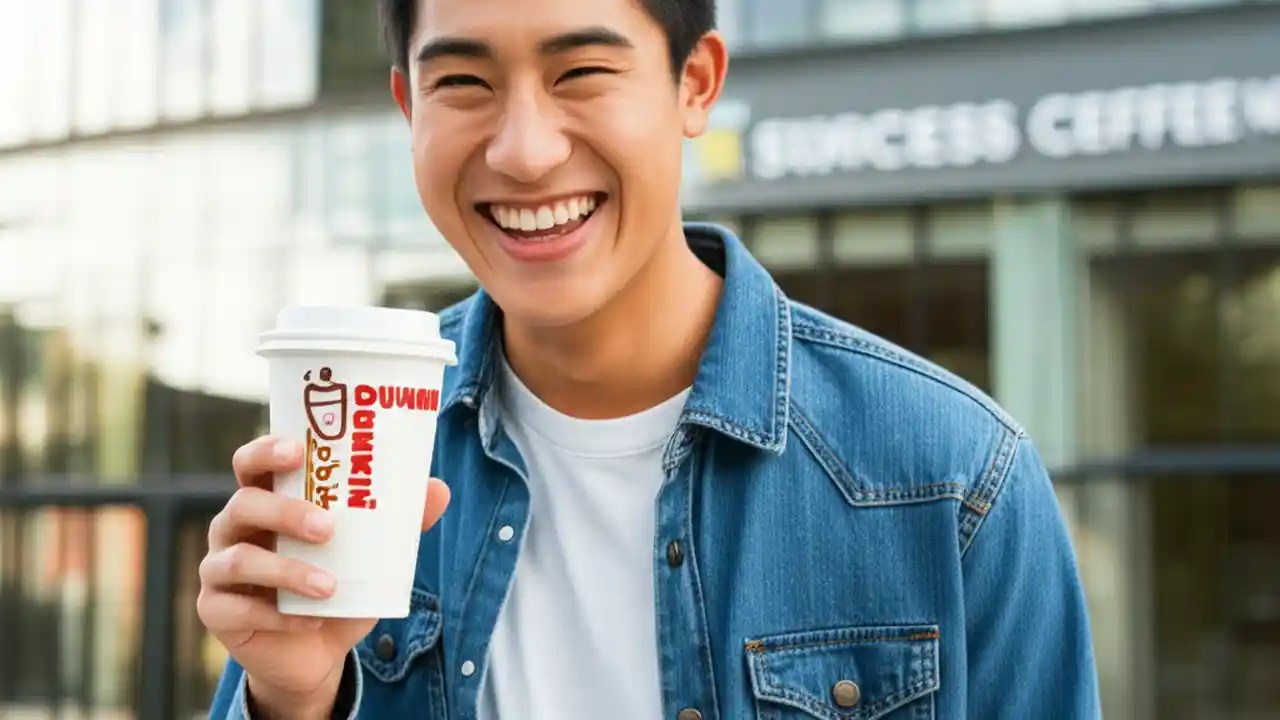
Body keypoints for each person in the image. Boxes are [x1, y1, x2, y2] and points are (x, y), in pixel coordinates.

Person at [204, 0, 1101, 717]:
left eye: (582, 73)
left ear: (695, 84)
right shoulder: (356, 439)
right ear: (409, 107)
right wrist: (292, 700)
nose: (523, 151)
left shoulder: (953, 477)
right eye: (465, 82)